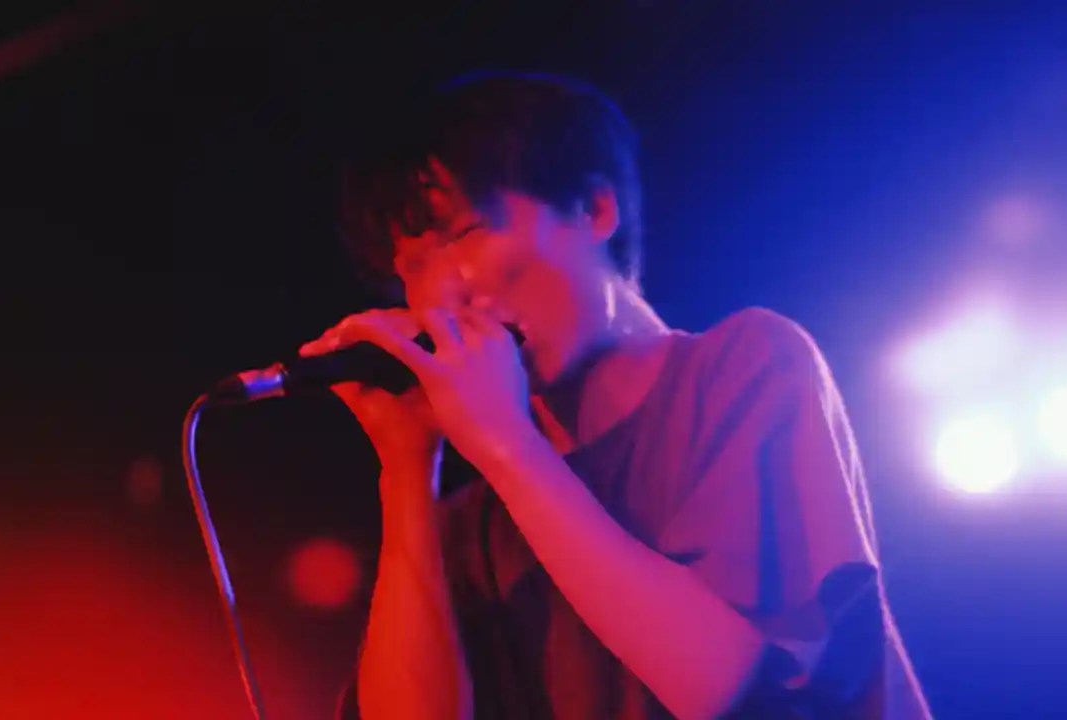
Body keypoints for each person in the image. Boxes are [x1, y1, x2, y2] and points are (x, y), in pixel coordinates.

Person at [306, 71, 931, 719]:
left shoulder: (743, 367)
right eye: (412, 268)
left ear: (593, 209)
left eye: (464, 235)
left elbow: (741, 694)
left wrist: (509, 450)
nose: (443, 294)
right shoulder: (473, 522)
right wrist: (406, 473)